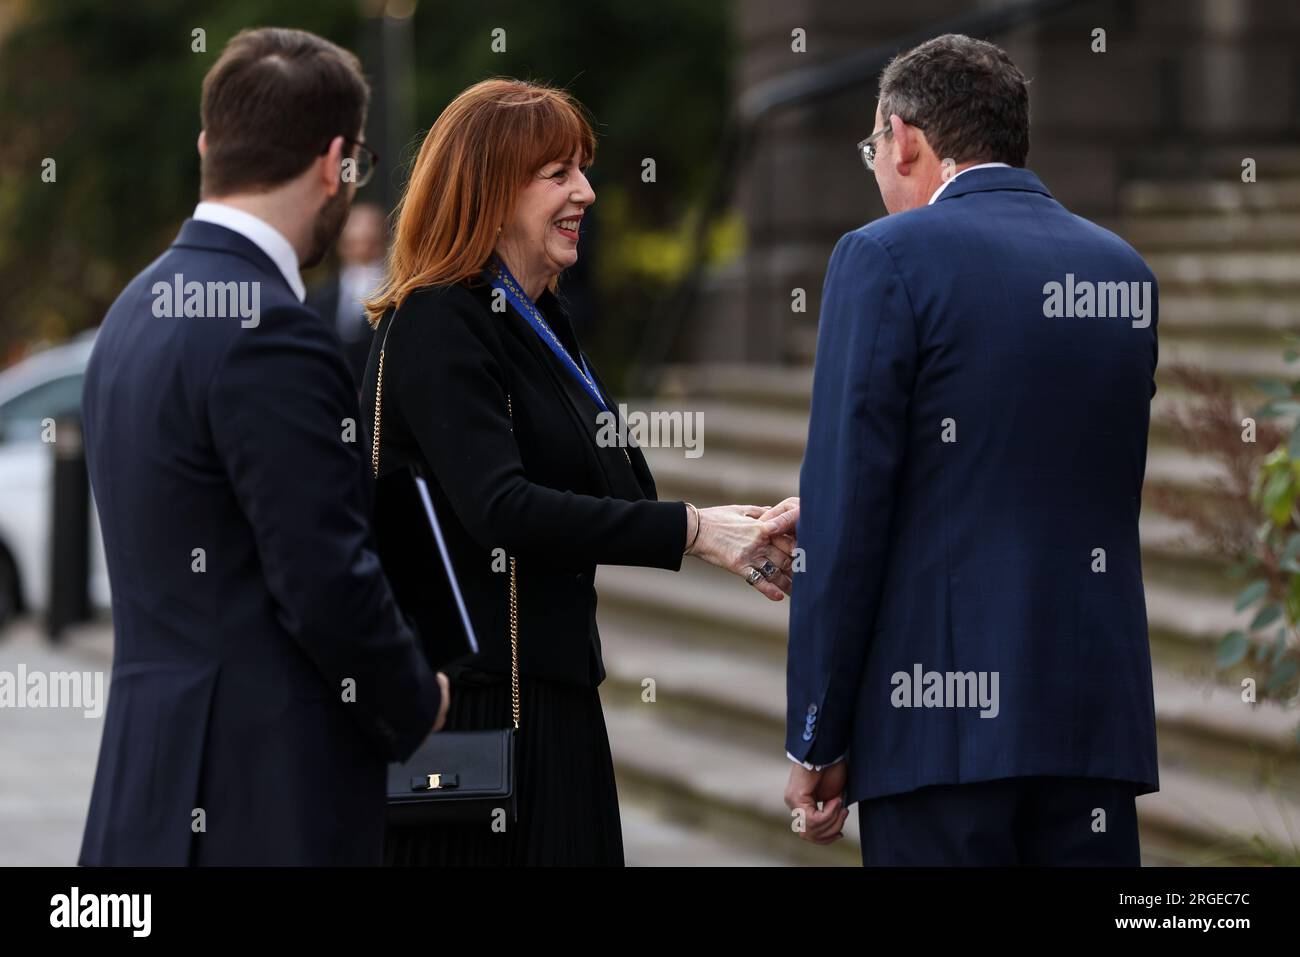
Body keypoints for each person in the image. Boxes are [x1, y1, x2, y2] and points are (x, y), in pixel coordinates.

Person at [363, 78, 797, 866]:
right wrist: (697, 532)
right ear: (491, 192)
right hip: (481, 719)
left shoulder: (537, 318)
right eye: (558, 173)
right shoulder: (438, 321)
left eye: (582, 170)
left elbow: (620, 488)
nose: (587, 193)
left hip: (551, 702)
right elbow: (503, 508)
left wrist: (741, 530)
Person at [783, 34, 1160, 866]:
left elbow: (850, 521)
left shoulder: (882, 257)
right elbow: (1038, 470)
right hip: (1092, 727)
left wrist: (818, 735)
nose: (876, 169)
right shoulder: (1122, 270)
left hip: (940, 740)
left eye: (872, 148)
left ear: (904, 136)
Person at [79, 27, 448, 867]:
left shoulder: (132, 314)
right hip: (263, 800)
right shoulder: (269, 332)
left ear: (210, 144)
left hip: (144, 791)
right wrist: (413, 694)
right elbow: (324, 578)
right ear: (334, 162)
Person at [307, 202, 387, 388]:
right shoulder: (319, 298)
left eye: (370, 243)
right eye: (354, 243)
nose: (362, 250)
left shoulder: (397, 299)